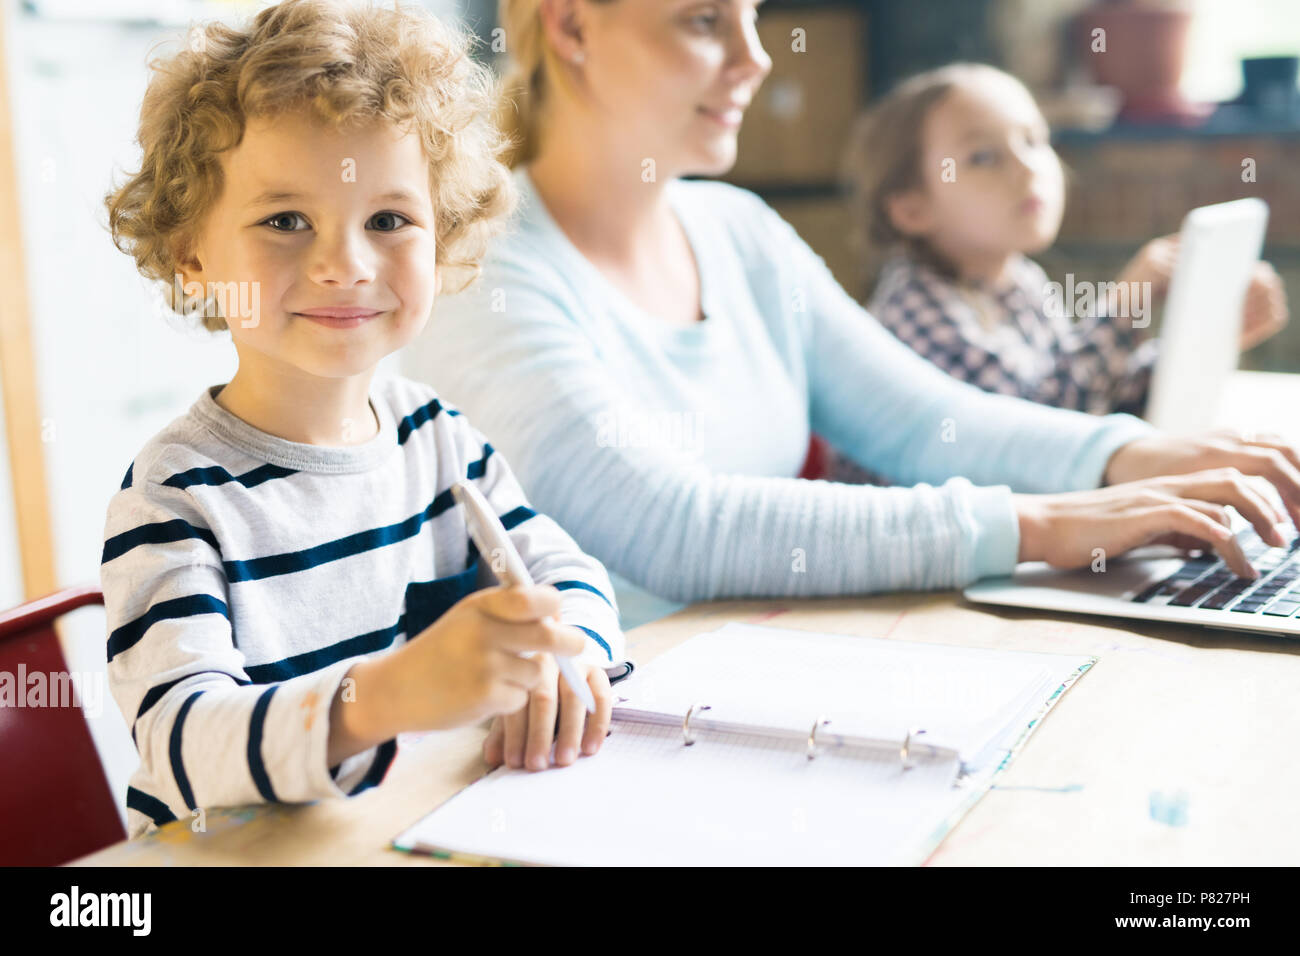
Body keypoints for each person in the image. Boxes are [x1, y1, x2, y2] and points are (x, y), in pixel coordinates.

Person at [408, 0, 1300, 610]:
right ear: (570, 24)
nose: (755, 58)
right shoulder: (482, 269)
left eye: (752, 15)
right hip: (603, 740)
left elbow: (924, 420)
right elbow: (667, 525)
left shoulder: (739, 231)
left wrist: (1139, 456)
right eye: (704, 20)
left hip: (776, 669)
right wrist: (1046, 524)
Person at [101, 0, 622, 838]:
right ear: (194, 255)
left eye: (389, 219)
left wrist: (573, 657)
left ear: (443, 233)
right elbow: (184, 743)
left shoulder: (439, 438)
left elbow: (570, 577)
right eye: (283, 220)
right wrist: (385, 694)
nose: (344, 264)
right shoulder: (173, 500)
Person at [844, 62, 1288, 417]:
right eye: (983, 156)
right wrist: (1125, 303)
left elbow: (1093, 396)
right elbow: (1046, 430)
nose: (1029, 167)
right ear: (912, 208)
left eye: (1035, 141)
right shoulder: (915, 308)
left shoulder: (1019, 280)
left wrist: (1212, 339)